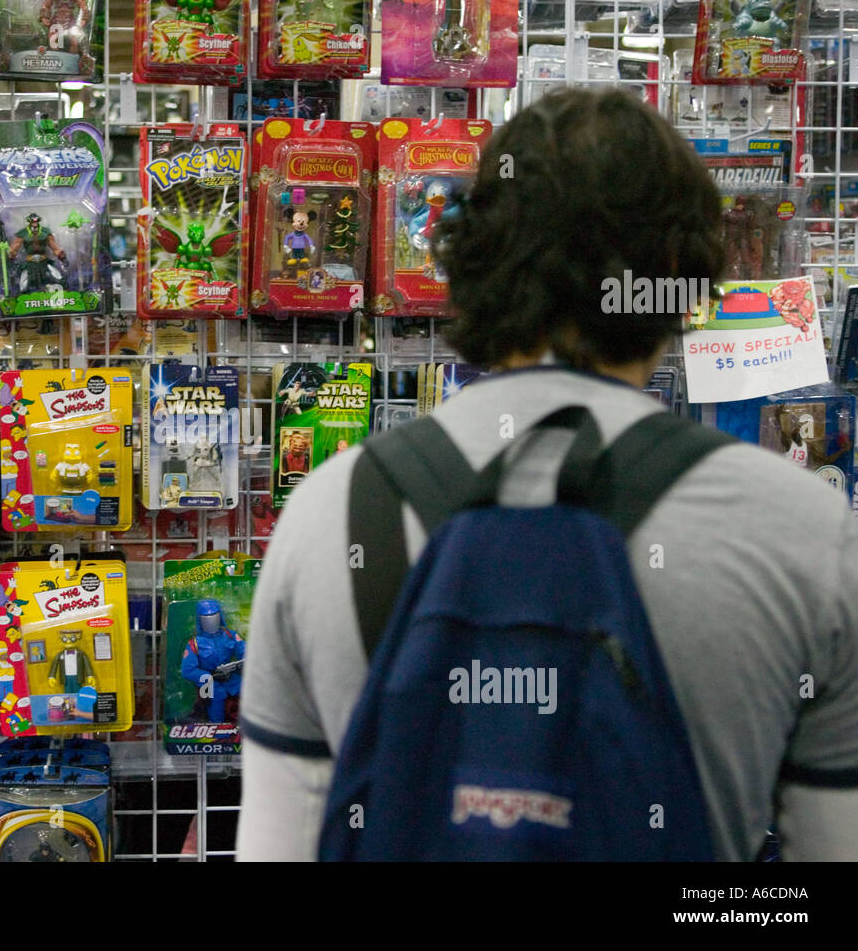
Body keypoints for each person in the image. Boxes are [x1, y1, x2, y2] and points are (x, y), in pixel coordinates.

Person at [236, 88, 858, 862]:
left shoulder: (332, 512)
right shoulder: (806, 529)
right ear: (679, 273)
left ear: (472, 255)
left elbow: (278, 844)